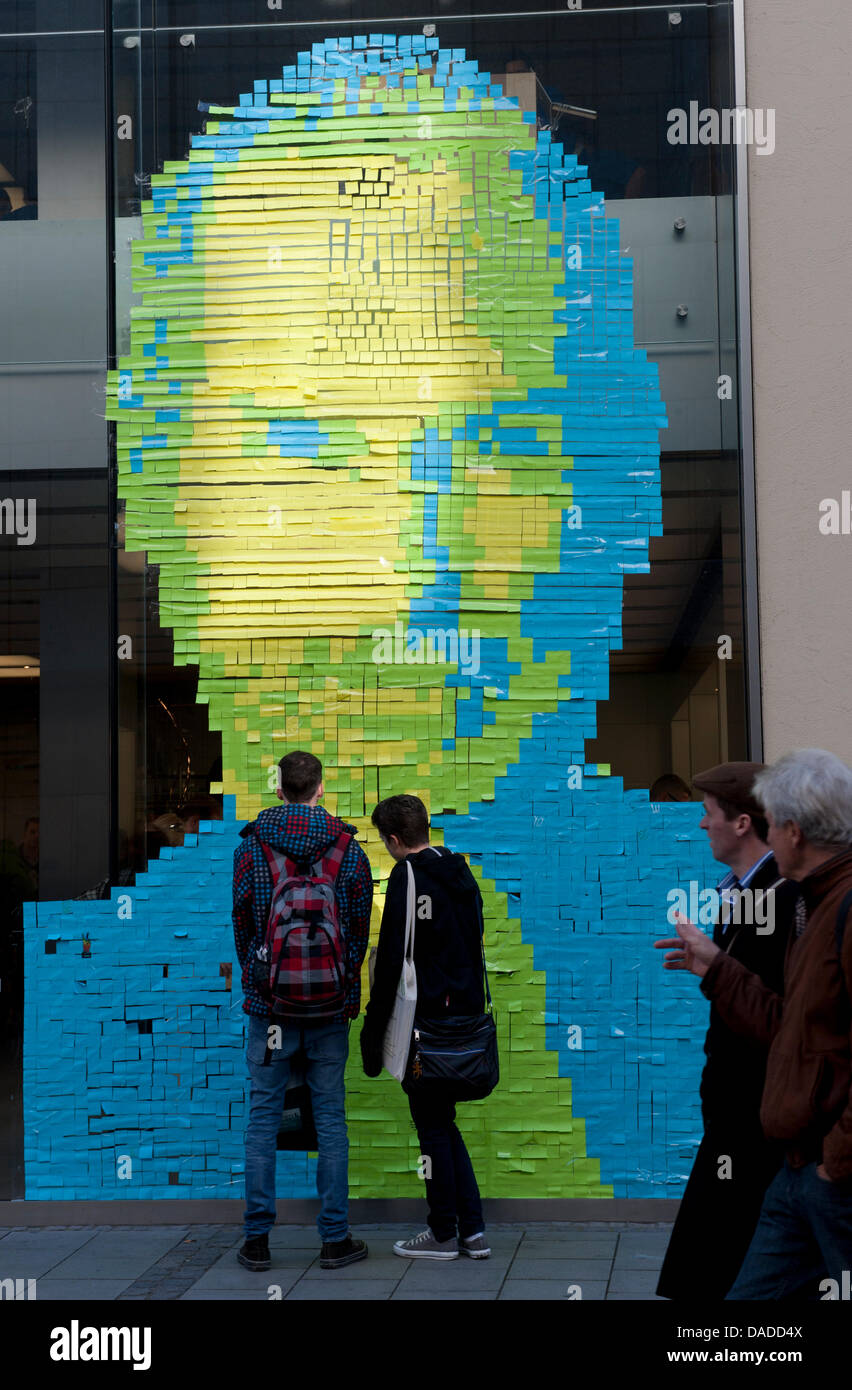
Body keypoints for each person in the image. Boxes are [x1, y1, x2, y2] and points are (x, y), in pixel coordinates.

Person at [660, 749, 852, 1300]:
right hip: (791, 1155)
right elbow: (788, 1023)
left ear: (790, 829)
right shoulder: (798, 901)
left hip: (812, 1162)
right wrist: (717, 969)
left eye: (773, 823)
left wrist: (836, 1163)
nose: (701, 823)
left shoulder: (815, 904)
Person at [654, 762, 800, 1299]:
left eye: (706, 813)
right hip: (741, 1105)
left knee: (720, 1257)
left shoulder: (783, 899)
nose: (699, 825)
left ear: (741, 823)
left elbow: (781, 1013)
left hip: (756, 1110)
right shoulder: (742, 893)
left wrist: (716, 968)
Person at [232, 749, 373, 1271]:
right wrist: (343, 988)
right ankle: (335, 1239)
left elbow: (242, 921)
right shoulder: (347, 848)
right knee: (331, 1120)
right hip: (329, 1010)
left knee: (263, 1120)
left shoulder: (252, 846)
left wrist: (261, 979)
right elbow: (358, 930)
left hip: (270, 1009)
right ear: (319, 788)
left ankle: (257, 1242)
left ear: (279, 789)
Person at [360, 794, 490, 1260]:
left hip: (426, 1023)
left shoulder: (406, 876)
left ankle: (441, 1233)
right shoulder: (461, 871)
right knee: (442, 1123)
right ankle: (471, 1232)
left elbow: (393, 958)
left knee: (432, 1128)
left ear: (394, 839)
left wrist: (373, 1030)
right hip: (464, 1019)